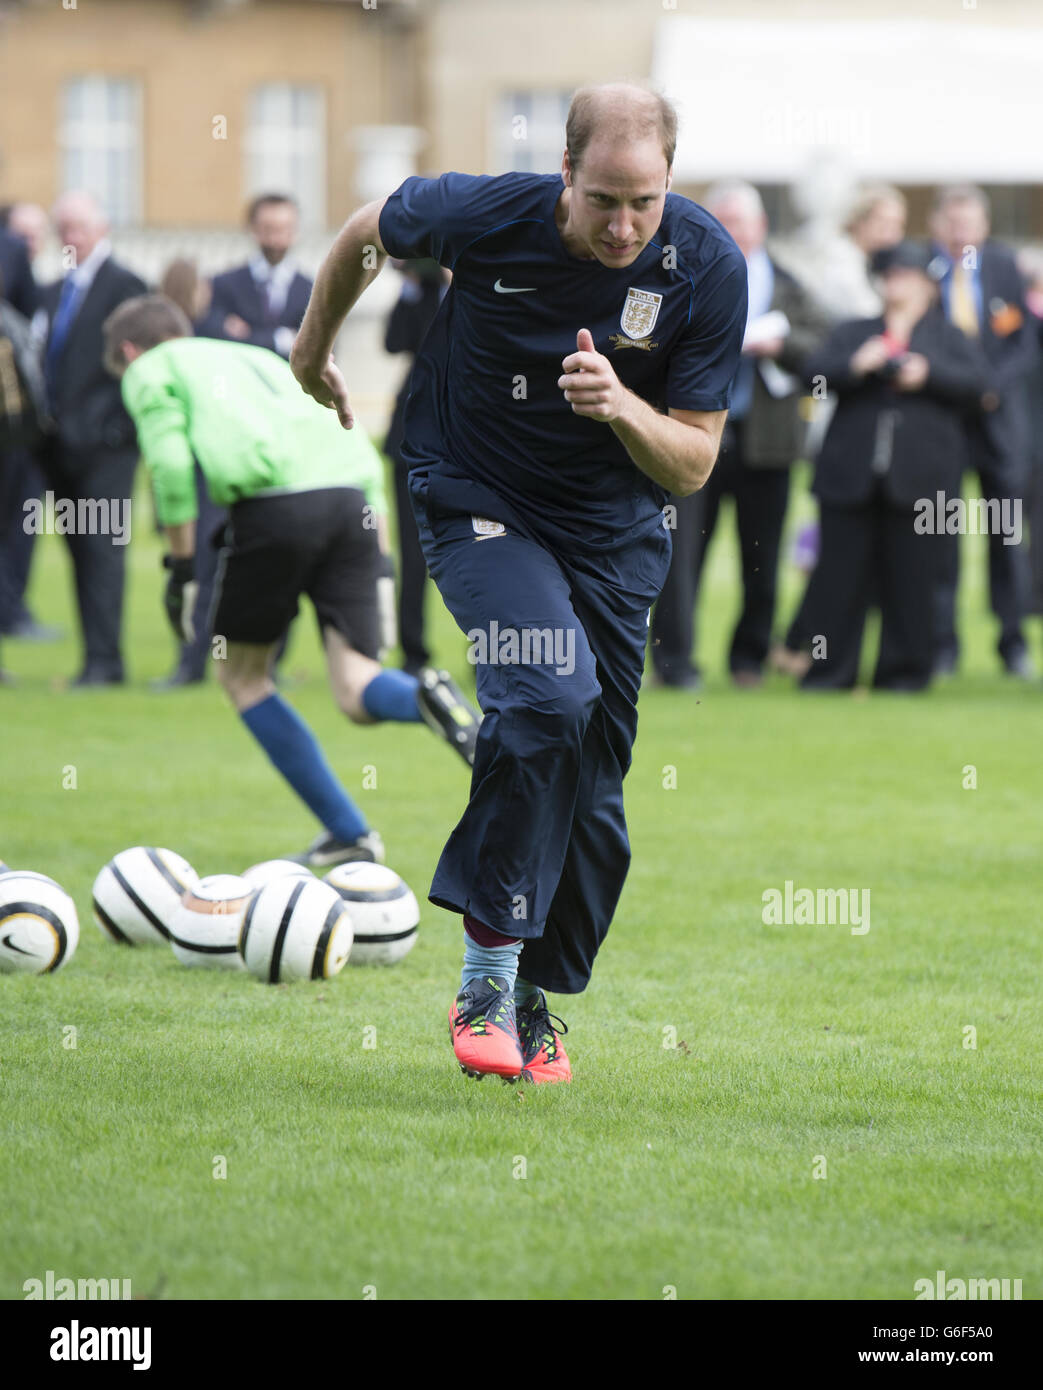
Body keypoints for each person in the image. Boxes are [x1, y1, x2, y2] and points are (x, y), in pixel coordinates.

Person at [290, 82, 747, 1084]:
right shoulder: (486, 213)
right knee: (545, 697)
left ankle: (533, 992)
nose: (624, 225)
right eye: (601, 200)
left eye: (644, 202)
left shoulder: (705, 264)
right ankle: (485, 980)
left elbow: (692, 463)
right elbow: (367, 230)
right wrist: (309, 351)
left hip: (616, 533)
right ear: (564, 177)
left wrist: (621, 406)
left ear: (669, 183)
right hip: (476, 496)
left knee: (591, 783)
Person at [103, 294, 480, 868]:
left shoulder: (152, 368)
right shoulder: (251, 356)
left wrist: (180, 570)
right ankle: (430, 696)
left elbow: (172, 468)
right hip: (354, 501)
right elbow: (335, 413)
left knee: (243, 678)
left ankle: (350, 830)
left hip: (274, 508)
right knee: (357, 687)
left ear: (130, 351)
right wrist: (377, 547)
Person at [650, 181, 829, 688]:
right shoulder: (683, 277)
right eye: (722, 220)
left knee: (761, 554)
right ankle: (674, 661)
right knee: (681, 552)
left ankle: (749, 659)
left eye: (740, 221)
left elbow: (822, 344)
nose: (732, 230)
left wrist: (781, 344)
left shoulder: (792, 285)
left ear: (761, 227)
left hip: (765, 439)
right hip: (691, 432)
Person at [795, 241, 989, 692]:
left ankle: (904, 674)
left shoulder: (948, 336)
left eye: (906, 275)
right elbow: (813, 376)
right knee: (838, 580)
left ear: (927, 284)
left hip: (923, 481)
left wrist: (927, 373)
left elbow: (980, 388)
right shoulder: (855, 330)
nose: (895, 283)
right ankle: (829, 672)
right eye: (890, 274)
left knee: (914, 581)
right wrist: (858, 365)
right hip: (851, 477)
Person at [928, 185, 1038, 678]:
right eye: (952, 223)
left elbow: (1023, 345)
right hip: (945, 421)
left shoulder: (1003, 268)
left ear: (984, 227)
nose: (960, 232)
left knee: (1005, 533)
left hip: (998, 425)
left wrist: (990, 387)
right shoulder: (924, 274)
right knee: (941, 534)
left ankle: (1012, 643)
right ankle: (942, 645)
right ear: (937, 226)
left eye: (968, 223)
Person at [40, 191, 147, 686]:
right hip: (59, 449)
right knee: (79, 549)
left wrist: (115, 429)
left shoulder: (126, 287)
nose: (71, 238)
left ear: (101, 229)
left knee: (102, 549)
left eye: (79, 228)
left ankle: (107, 663)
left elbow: (140, 364)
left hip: (107, 451)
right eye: (63, 229)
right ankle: (94, 660)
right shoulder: (54, 291)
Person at [383, 257, 448, 676]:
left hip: (469, 440)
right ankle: (413, 652)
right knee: (412, 552)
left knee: (487, 551)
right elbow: (392, 343)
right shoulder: (418, 294)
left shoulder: (485, 290)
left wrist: (454, 282)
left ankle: (487, 655)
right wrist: (410, 283)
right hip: (412, 439)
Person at [196, 193, 312, 359]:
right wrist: (281, 340)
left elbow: (318, 349)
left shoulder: (310, 290)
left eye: (285, 229)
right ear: (253, 229)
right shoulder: (224, 285)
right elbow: (213, 338)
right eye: (269, 229)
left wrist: (248, 336)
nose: (276, 239)